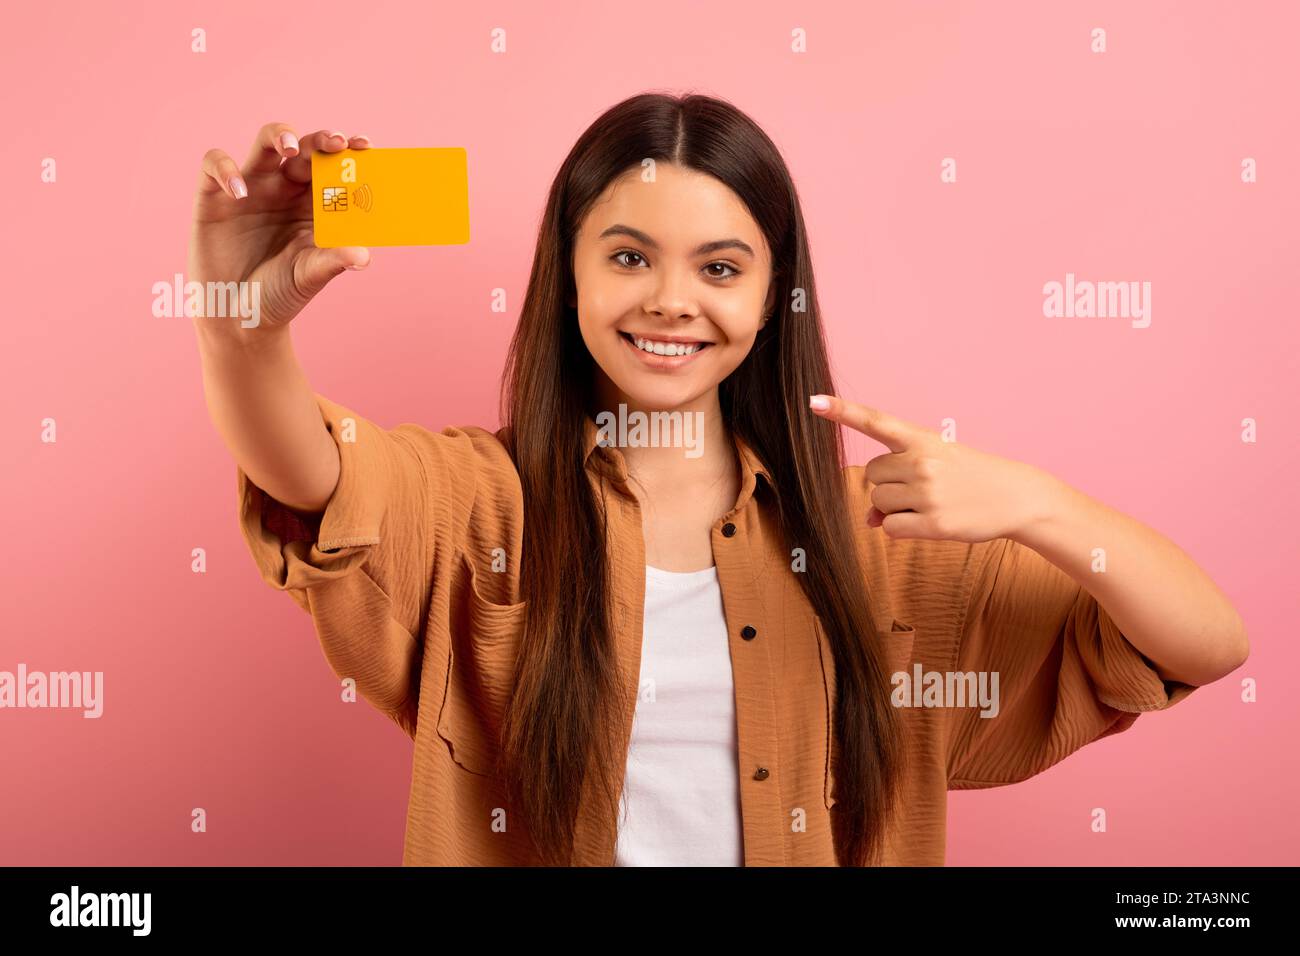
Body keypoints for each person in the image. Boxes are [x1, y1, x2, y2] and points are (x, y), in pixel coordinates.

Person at [187, 92, 1248, 867]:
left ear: (774, 291)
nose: (671, 300)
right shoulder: (481, 501)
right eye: (629, 256)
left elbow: (1201, 642)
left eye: (722, 267)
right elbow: (311, 475)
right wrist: (241, 318)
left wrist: (1041, 504)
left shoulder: (880, 539)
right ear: (569, 270)